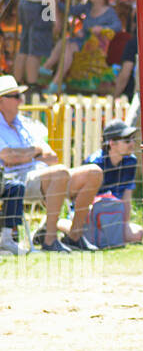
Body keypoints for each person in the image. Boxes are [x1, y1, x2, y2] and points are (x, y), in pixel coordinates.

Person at [0, 74, 104, 251]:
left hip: (42, 175)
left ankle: (74, 235)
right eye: (16, 96)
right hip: (14, 180)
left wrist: (25, 155)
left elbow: (51, 156)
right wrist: (34, 151)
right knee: (59, 172)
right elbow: (8, 158)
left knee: (94, 172)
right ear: (2, 100)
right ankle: (49, 240)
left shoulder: (25, 123)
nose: (21, 101)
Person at [45, 0, 123, 93]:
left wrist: (101, 28)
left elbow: (117, 26)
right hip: (81, 40)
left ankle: (55, 79)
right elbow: (72, 10)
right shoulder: (88, 7)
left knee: (68, 47)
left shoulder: (109, 12)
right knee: (64, 42)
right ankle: (49, 68)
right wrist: (55, 1)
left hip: (92, 45)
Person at [84, 119, 143, 244]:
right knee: (94, 238)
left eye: (133, 139)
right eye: (127, 141)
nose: (132, 143)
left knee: (138, 234)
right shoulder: (95, 163)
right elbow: (84, 200)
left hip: (113, 216)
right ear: (112, 143)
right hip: (89, 215)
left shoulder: (130, 161)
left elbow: (127, 196)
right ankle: (59, 224)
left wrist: (125, 224)